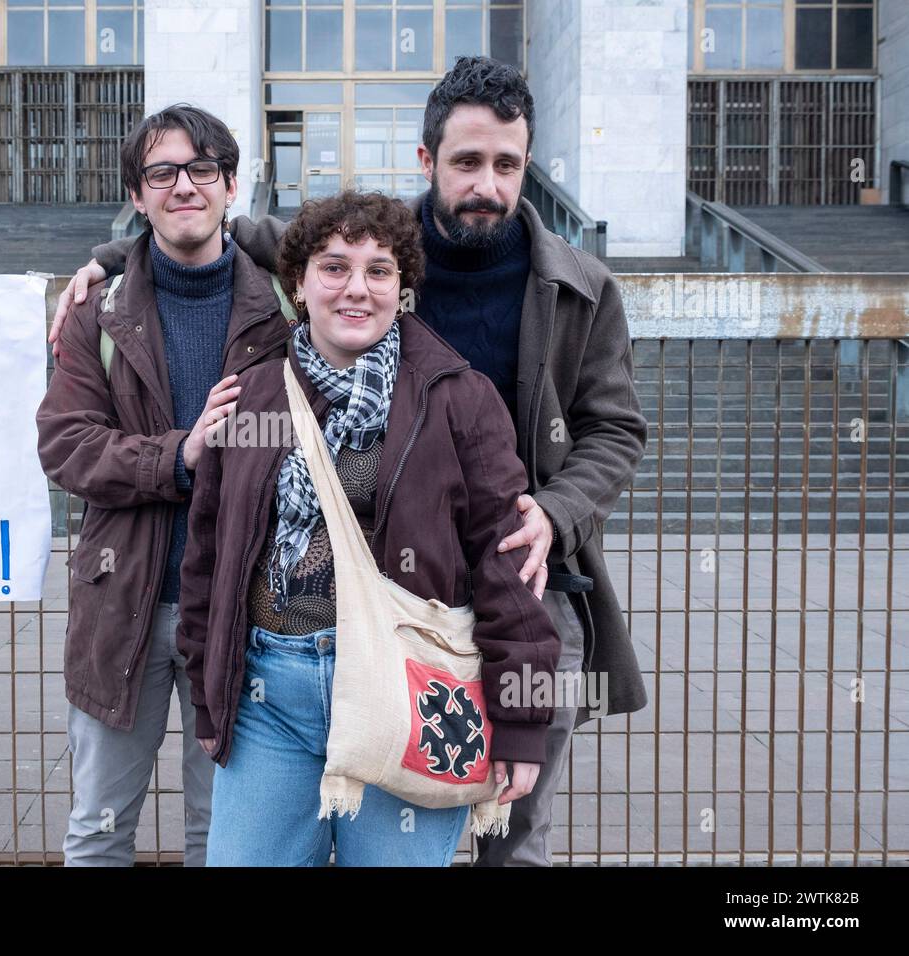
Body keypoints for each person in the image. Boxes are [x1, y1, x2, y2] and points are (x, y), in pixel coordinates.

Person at [51, 57, 649, 867]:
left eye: (507, 165)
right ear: (427, 161)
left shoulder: (566, 300)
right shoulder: (283, 371)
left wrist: (556, 511)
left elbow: (614, 432)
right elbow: (219, 229)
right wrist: (114, 258)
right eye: (467, 161)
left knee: (512, 837)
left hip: (486, 594)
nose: (486, 183)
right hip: (297, 656)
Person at [176, 189, 560, 866]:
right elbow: (210, 554)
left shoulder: (456, 398)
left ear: (403, 287)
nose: (356, 289)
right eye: (334, 267)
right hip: (271, 697)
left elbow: (507, 567)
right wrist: (210, 702)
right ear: (299, 282)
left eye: (379, 270)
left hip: (409, 691)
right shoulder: (254, 393)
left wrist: (522, 722)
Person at [35, 104, 295, 865]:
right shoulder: (100, 310)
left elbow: (358, 251)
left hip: (244, 606)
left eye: (201, 169)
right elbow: (66, 445)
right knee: (99, 827)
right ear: (138, 194)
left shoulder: (283, 299)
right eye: (161, 173)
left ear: (232, 184)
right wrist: (180, 456)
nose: (184, 186)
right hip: (126, 604)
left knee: (223, 831)